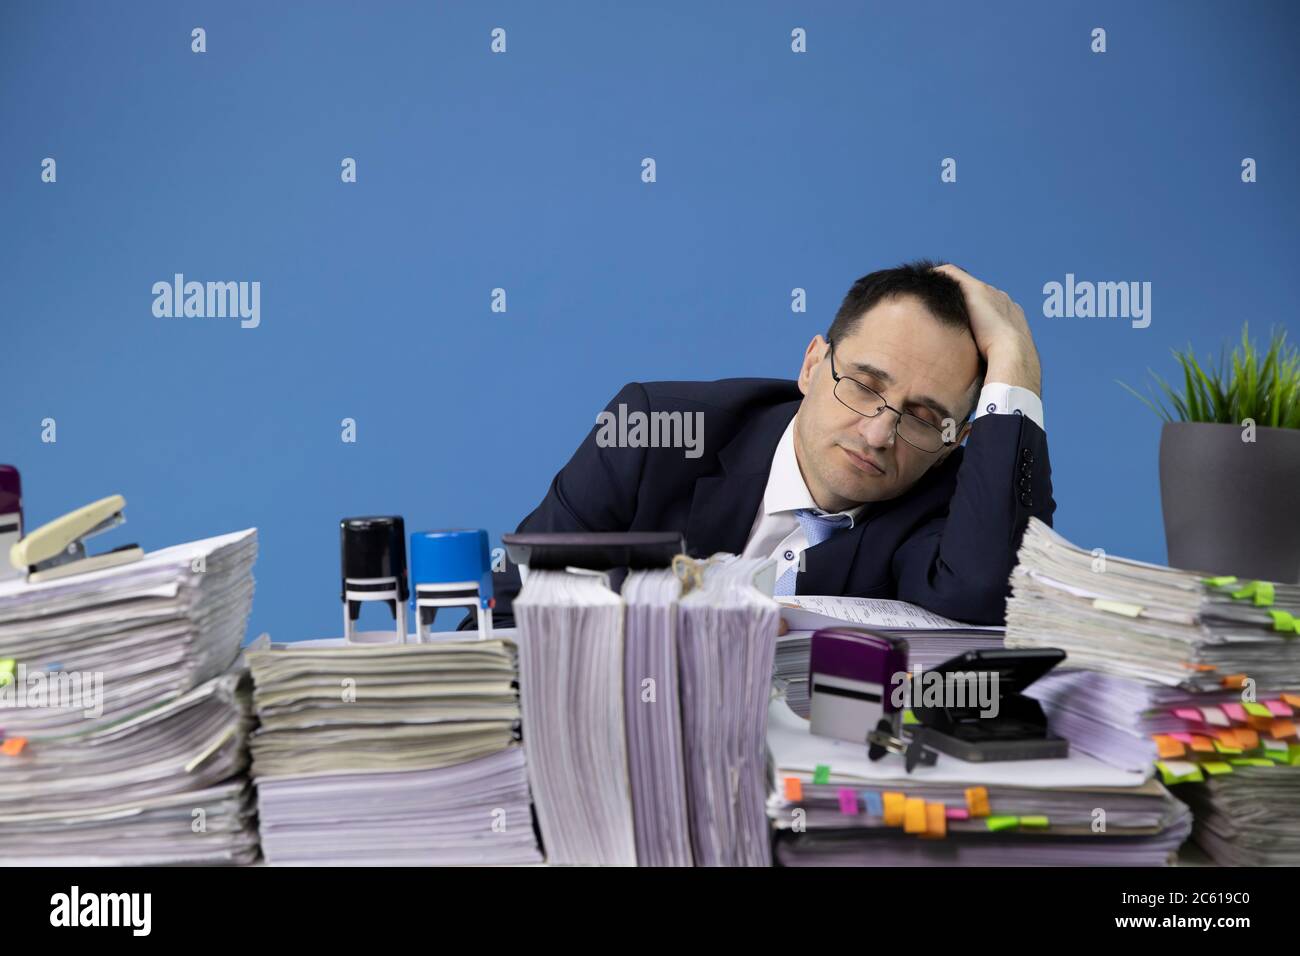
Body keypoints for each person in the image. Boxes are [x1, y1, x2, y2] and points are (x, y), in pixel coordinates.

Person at [464, 260, 1053, 629]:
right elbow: (507, 612)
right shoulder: (656, 431)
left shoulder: (952, 500)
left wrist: (1015, 363)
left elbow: (994, 599)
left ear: (956, 442)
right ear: (812, 364)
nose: (879, 433)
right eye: (864, 386)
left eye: (924, 418)